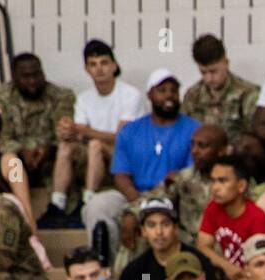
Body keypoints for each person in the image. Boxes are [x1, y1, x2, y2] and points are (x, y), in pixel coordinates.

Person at [85, 69, 198, 262]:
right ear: (150, 95)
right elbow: (120, 175)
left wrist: (142, 210)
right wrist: (139, 204)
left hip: (173, 196)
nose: (169, 95)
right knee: (98, 206)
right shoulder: (130, 130)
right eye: (162, 90)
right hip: (133, 194)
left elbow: (184, 177)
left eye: (173, 90)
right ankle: (102, 265)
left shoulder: (193, 128)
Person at [51, 40, 145, 225]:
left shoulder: (130, 95)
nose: (99, 69)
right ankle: (57, 204)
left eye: (104, 63)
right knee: (66, 146)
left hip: (126, 159)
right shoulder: (84, 98)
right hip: (95, 158)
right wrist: (67, 131)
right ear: (86, 69)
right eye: (93, 65)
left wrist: (84, 131)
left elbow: (121, 137)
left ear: (114, 65)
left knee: (95, 145)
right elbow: (79, 134)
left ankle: (88, 200)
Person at [124, 122, 227, 248]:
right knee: (139, 232)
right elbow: (154, 197)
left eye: (202, 146)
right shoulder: (185, 176)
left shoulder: (234, 181)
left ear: (221, 151)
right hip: (186, 243)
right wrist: (131, 215)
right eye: (193, 144)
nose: (194, 151)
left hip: (219, 244)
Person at [118, 197, 218, 280]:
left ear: (175, 228)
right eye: (151, 225)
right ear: (143, 231)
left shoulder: (199, 262)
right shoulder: (133, 271)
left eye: (165, 224)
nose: (159, 232)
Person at [0, 53, 74, 193]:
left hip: (52, 159)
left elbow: (66, 133)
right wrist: (20, 150)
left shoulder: (61, 96)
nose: (32, 81)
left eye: (36, 74)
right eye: (25, 76)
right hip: (13, 160)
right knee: (8, 160)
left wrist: (49, 149)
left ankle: (58, 201)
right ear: (14, 77)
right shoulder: (0, 96)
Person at [196, 155, 265, 280]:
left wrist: (234, 272)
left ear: (241, 186)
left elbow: (264, 267)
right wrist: (227, 267)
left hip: (259, 279)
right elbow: (203, 246)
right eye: (213, 181)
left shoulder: (257, 218)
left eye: (222, 181)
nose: (215, 187)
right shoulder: (213, 207)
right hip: (231, 274)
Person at [180, 34, 260, 143]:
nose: (208, 79)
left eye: (213, 71)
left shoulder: (248, 93)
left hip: (234, 156)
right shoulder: (193, 95)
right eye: (203, 72)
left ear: (226, 63)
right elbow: (183, 132)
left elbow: (254, 137)